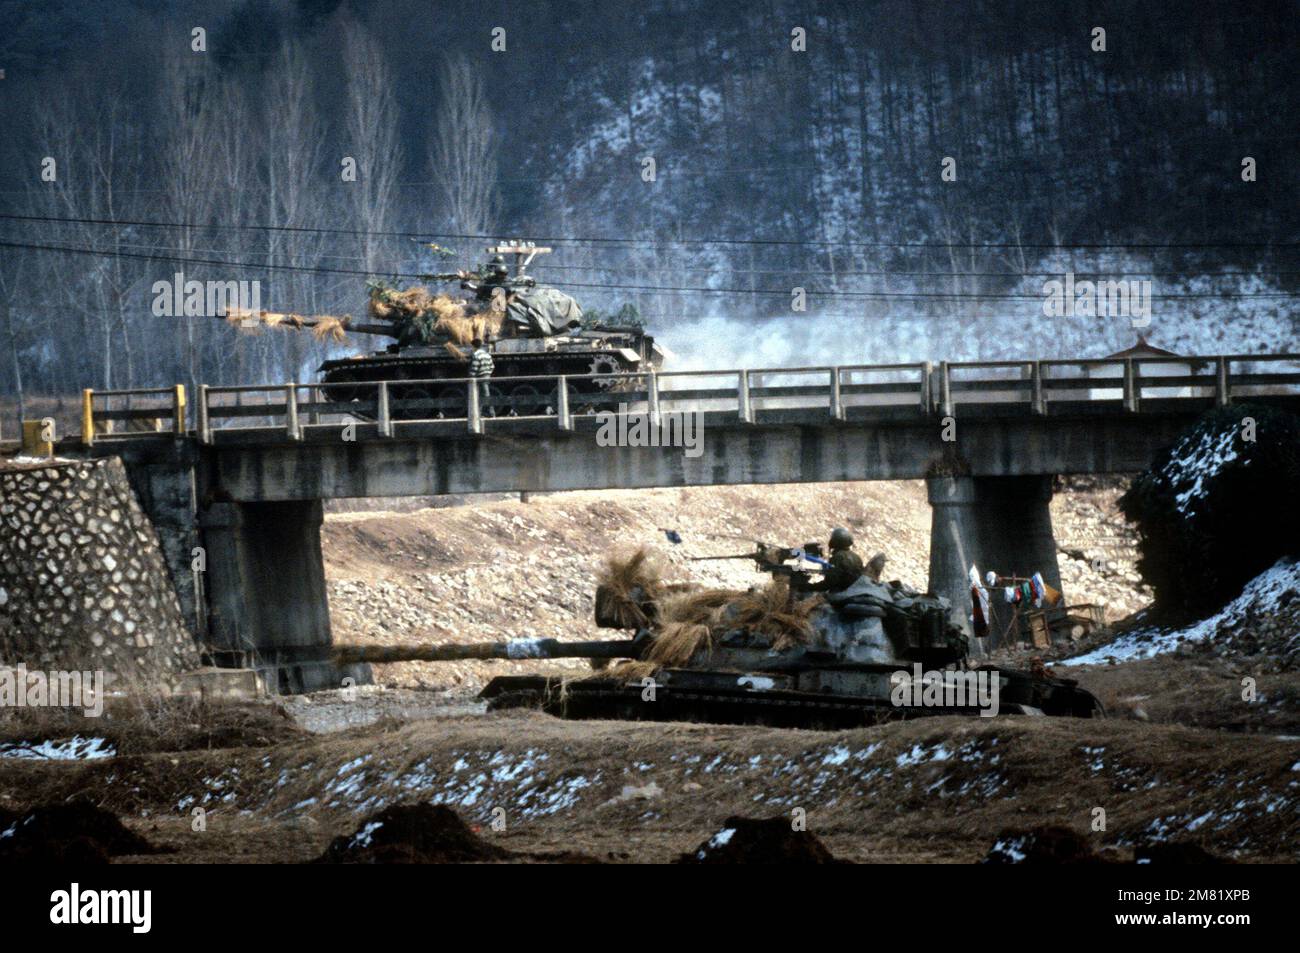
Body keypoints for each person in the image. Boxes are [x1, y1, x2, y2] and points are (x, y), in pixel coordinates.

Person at [808, 527, 865, 592]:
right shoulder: (856, 557)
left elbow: (829, 583)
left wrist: (810, 587)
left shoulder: (837, 558)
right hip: (856, 591)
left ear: (834, 542)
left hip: (842, 594)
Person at [469, 336, 494, 416]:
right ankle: (484, 412)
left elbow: (474, 367)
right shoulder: (487, 354)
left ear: (473, 346)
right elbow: (492, 366)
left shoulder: (476, 355)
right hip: (487, 375)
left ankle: (489, 412)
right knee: (485, 393)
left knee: (483, 394)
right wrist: (488, 373)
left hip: (480, 376)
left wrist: (471, 376)